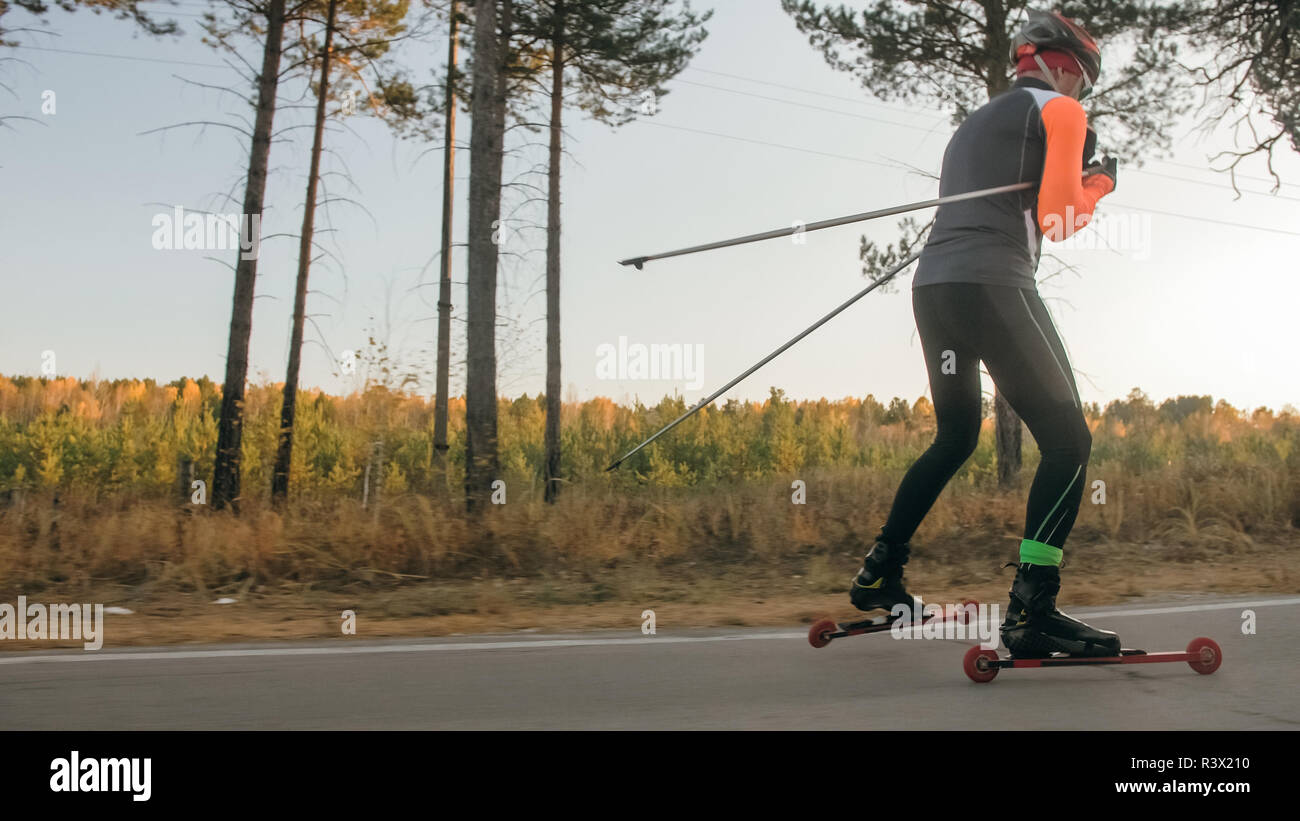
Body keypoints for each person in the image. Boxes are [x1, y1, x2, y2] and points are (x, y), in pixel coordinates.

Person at [849, 9, 1121, 657]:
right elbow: (1057, 218)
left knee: (955, 435)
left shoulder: (978, 122)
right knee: (1068, 441)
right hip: (994, 284)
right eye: (1082, 80)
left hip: (937, 289)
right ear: (1063, 66)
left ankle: (880, 572)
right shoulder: (1060, 111)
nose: (1081, 93)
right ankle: (1032, 606)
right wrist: (1100, 183)